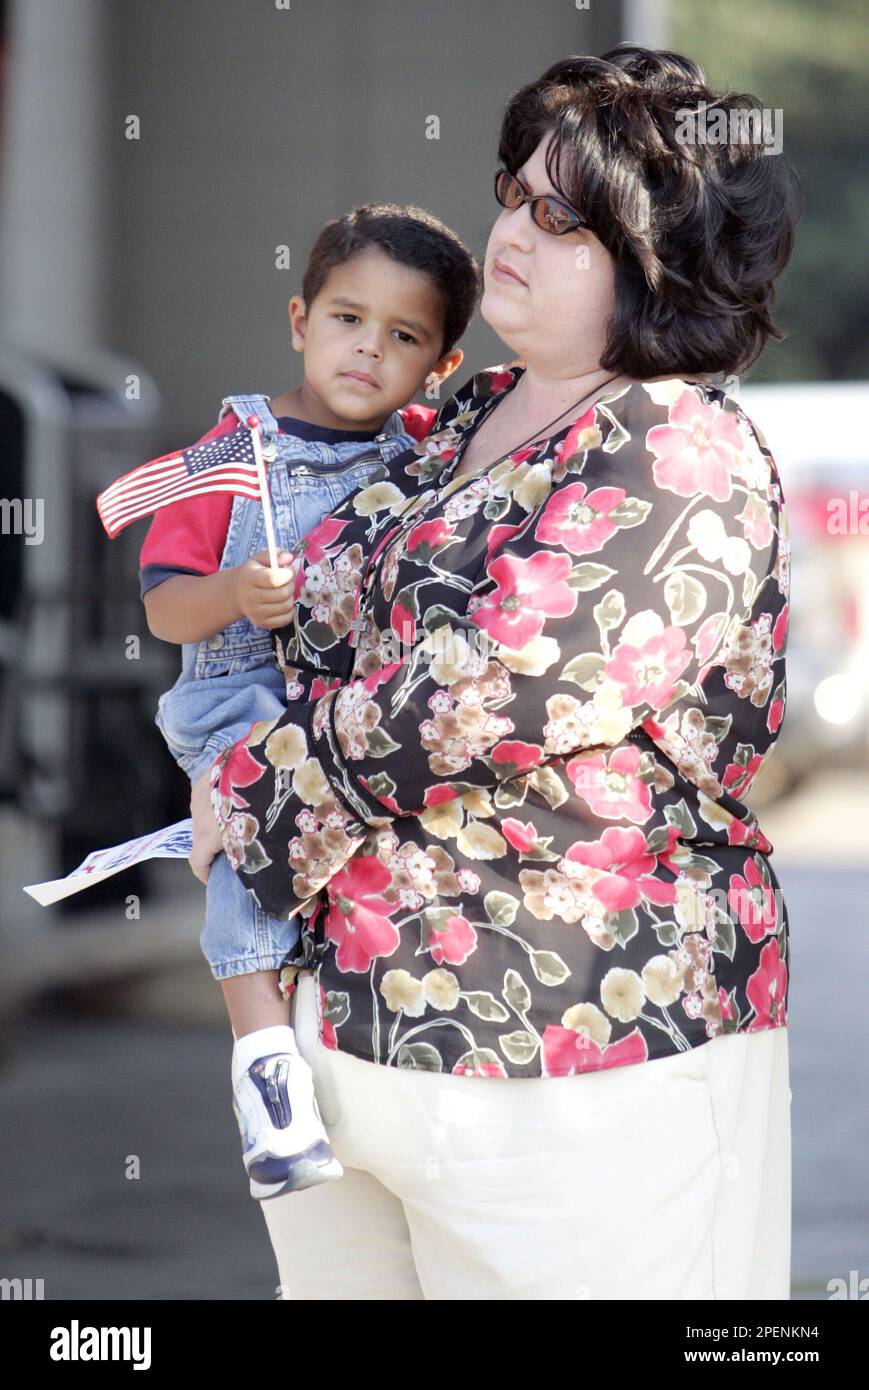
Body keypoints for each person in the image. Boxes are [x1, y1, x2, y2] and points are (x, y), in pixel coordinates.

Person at [189, 44, 802, 1298]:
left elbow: (482, 693)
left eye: (565, 218)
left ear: (658, 261)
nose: (514, 229)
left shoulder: (678, 446)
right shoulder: (464, 414)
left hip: (577, 1061)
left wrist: (247, 793)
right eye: (516, 194)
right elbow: (314, 617)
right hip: (354, 1037)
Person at [141, 203, 478, 1199]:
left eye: (402, 336)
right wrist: (232, 596)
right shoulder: (228, 450)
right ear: (299, 319)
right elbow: (162, 608)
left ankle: (346, 1054)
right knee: (246, 859)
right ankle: (263, 1069)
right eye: (346, 318)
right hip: (243, 700)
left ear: (440, 367)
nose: (367, 350)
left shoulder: (422, 454)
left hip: (355, 717)